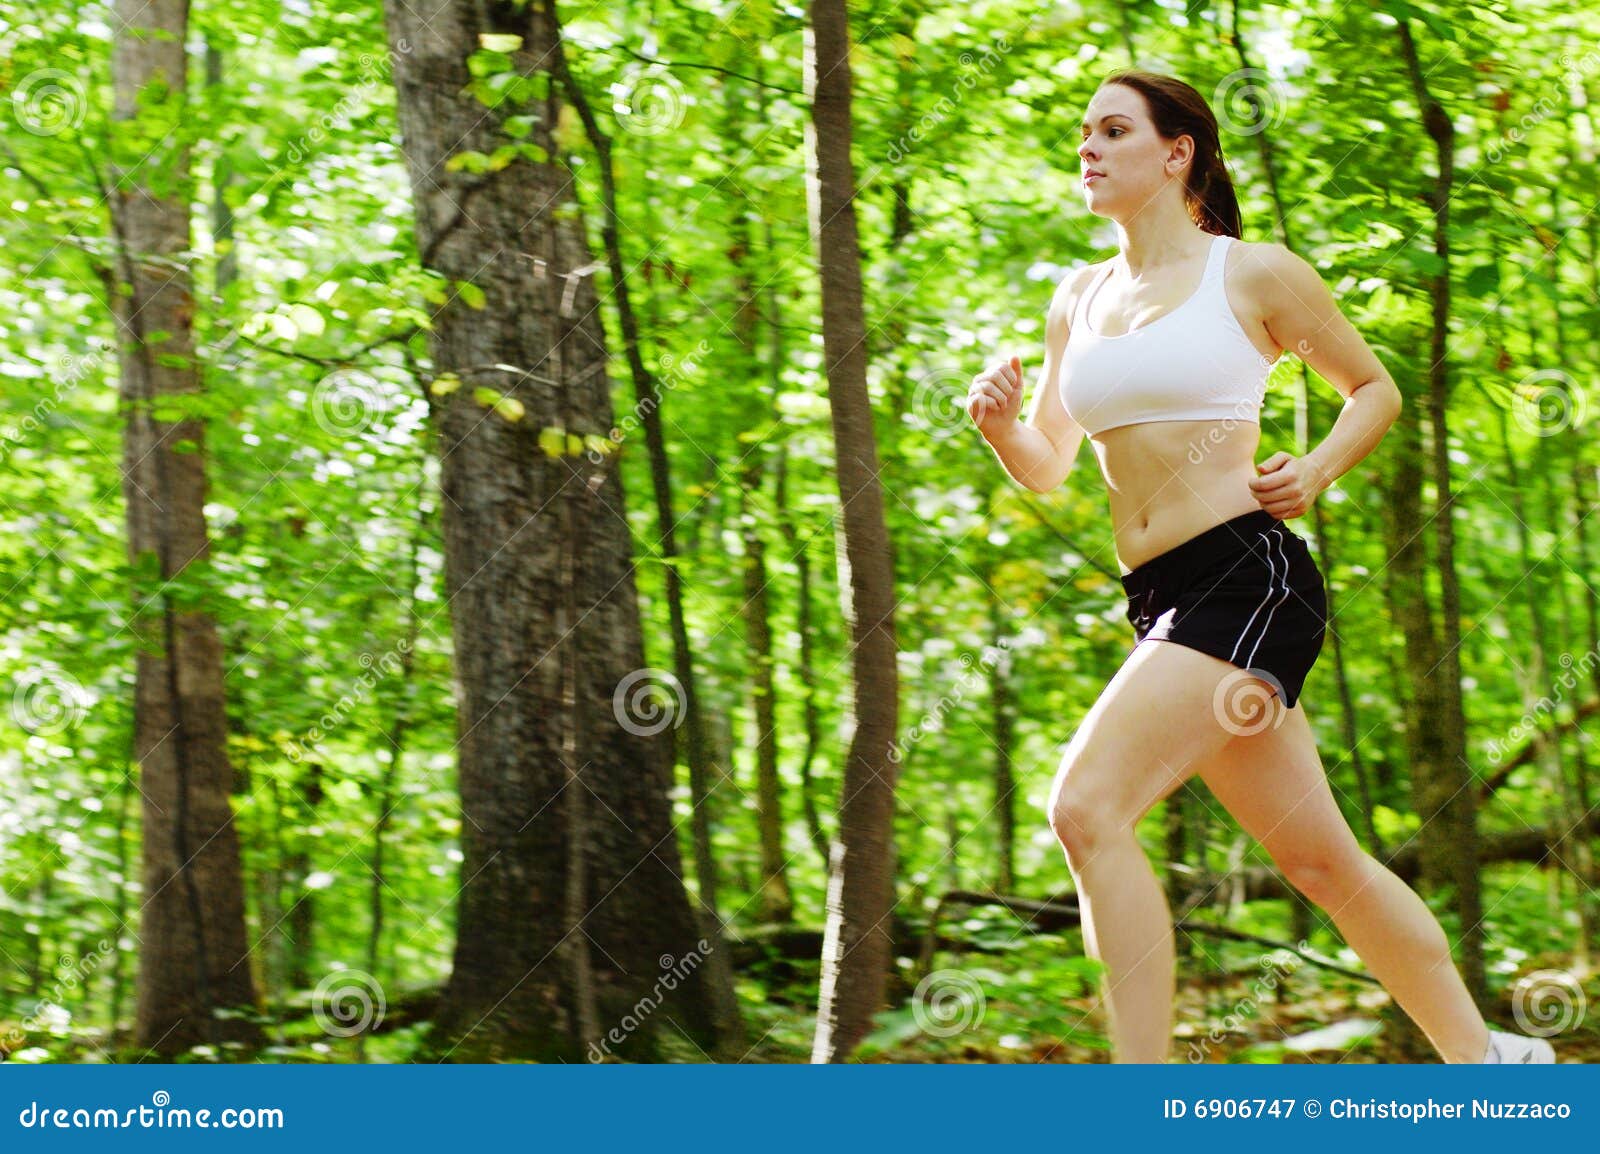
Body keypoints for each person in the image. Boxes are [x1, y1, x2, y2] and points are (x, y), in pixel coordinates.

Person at [965, 68, 1555, 1066]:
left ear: (1176, 151)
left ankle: (1138, 1093)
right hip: (1158, 599)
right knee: (1318, 857)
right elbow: (1049, 465)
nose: (1089, 149)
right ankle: (1489, 1057)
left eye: (1113, 130)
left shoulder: (1250, 273)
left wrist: (1317, 467)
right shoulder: (1079, 297)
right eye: (1083, 134)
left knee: (1085, 804)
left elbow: (1372, 387)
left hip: (1249, 578)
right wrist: (998, 429)